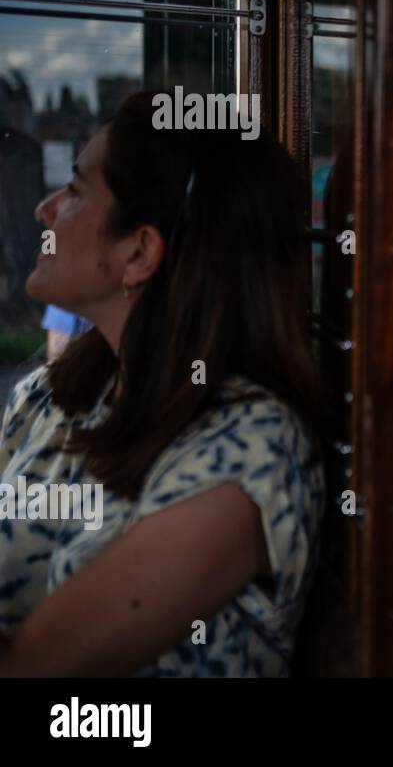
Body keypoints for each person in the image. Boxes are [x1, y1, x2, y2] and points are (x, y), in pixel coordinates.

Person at [0, 90, 326, 676]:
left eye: (75, 189)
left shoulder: (252, 445)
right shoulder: (48, 399)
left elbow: (37, 667)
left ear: (140, 251)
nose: (45, 209)